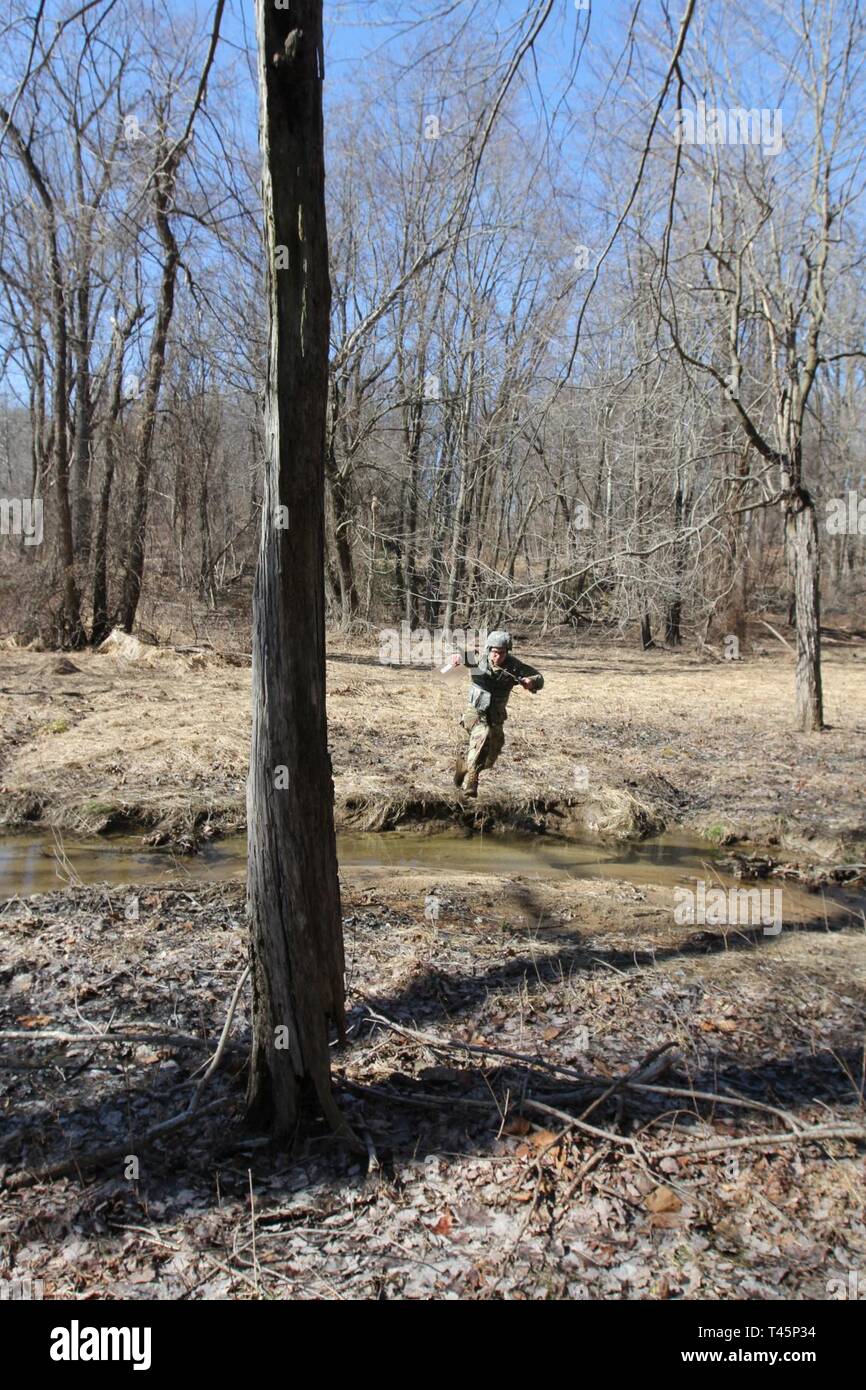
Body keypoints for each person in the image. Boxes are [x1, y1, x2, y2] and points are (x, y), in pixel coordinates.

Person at [450, 630, 543, 797]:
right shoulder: (479, 659)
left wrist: (532, 682)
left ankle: (465, 767)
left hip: (496, 716)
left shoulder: (514, 666)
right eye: (494, 652)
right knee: (482, 735)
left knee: (491, 754)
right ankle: (472, 781)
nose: (497, 657)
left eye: (501, 653)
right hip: (476, 713)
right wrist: (456, 657)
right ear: (489, 650)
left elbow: (538, 678)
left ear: (507, 652)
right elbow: (457, 652)